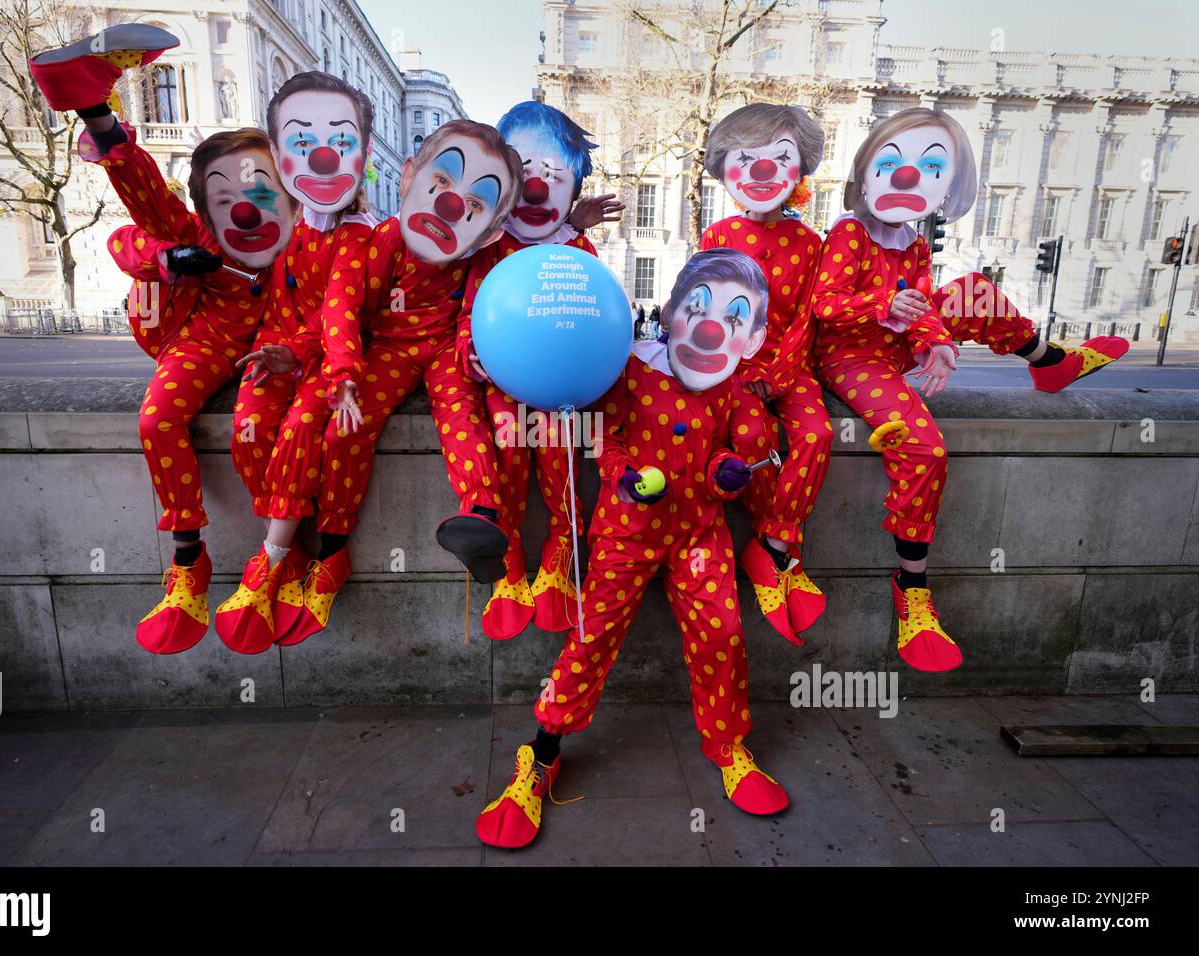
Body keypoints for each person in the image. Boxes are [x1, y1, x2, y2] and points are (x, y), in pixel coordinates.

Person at [477, 249, 786, 850]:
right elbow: (609, 437)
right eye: (695, 307)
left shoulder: (731, 385)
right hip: (626, 533)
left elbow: (730, 449)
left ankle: (728, 744)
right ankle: (541, 754)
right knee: (590, 639)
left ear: (751, 335)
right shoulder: (632, 371)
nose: (709, 325)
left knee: (721, 635)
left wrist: (728, 470)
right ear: (670, 312)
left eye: (733, 315)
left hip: (699, 533)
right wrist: (622, 475)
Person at [813, 107, 1130, 672]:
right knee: (925, 449)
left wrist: (932, 341)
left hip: (893, 345)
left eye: (930, 170)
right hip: (852, 354)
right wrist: (881, 306)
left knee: (975, 292)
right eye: (892, 164)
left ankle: (1049, 361)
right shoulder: (848, 233)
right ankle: (912, 587)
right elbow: (825, 305)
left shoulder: (912, 240)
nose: (909, 177)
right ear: (866, 177)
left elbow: (922, 302)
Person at [28, 24, 298, 655]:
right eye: (226, 196)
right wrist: (167, 256)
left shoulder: (307, 243)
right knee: (156, 421)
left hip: (280, 341)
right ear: (206, 203)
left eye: (261, 192)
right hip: (208, 337)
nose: (246, 210)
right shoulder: (202, 238)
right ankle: (187, 560)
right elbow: (142, 208)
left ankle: (278, 552)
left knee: (254, 430)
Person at [283, 119, 525, 645]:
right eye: (442, 182)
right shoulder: (373, 241)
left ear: (491, 229)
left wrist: (469, 349)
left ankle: (482, 514)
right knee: (343, 432)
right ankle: (331, 549)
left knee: (463, 417)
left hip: (441, 351)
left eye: (477, 204)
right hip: (387, 350)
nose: (452, 205)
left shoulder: (477, 256)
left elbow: (474, 310)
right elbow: (340, 308)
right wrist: (344, 372)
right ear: (410, 174)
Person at [457, 100, 623, 640]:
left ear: (572, 188)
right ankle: (508, 569)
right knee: (505, 448)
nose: (535, 188)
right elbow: (470, 309)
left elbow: (593, 311)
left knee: (559, 455)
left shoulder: (578, 247)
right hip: (504, 383)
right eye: (525, 173)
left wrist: (571, 230)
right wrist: (471, 352)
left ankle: (559, 559)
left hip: (563, 389)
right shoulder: (486, 244)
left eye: (552, 175)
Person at [701, 102, 830, 645]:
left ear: (797, 171)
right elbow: (705, 310)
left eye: (777, 158)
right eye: (747, 158)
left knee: (818, 434)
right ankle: (774, 552)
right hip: (735, 363)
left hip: (788, 365)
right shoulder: (717, 235)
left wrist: (780, 372)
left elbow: (808, 317)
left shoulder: (811, 244)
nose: (761, 171)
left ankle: (774, 546)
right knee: (754, 436)